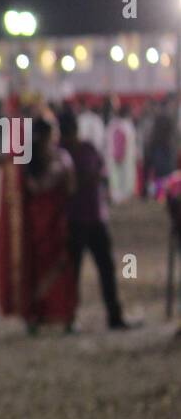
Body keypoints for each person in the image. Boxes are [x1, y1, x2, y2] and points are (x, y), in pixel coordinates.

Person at [0, 116, 77, 334]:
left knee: (37, 269)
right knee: (59, 268)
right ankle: (62, 316)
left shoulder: (27, 161)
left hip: (38, 224)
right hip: (52, 223)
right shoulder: (58, 158)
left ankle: (35, 316)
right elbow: (66, 186)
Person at [59, 111, 136, 331]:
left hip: (86, 218)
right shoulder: (79, 150)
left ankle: (108, 315)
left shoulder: (69, 152)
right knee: (81, 271)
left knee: (101, 269)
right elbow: (97, 175)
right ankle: (77, 317)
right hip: (84, 219)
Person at [104, 102, 138, 204]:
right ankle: (124, 195)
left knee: (115, 177)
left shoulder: (111, 125)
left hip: (113, 156)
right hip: (126, 157)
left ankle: (116, 195)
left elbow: (106, 141)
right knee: (125, 176)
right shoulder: (129, 126)